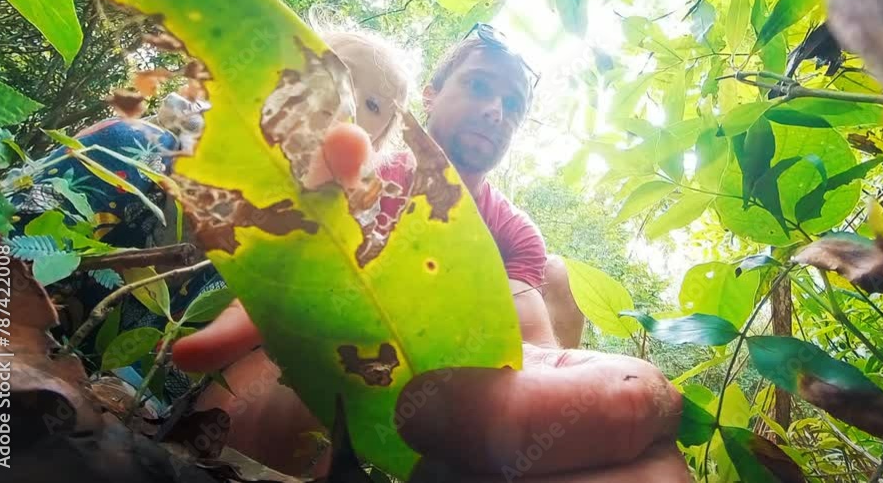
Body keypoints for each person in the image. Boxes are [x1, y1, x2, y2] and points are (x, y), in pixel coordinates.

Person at [172, 26, 689, 480]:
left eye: (513, 105)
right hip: (317, 363)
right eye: (479, 85)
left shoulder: (512, 232)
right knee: (321, 341)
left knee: (558, 279)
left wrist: (564, 405)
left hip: (433, 399)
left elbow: (527, 338)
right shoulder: (363, 171)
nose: (495, 111)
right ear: (431, 94)